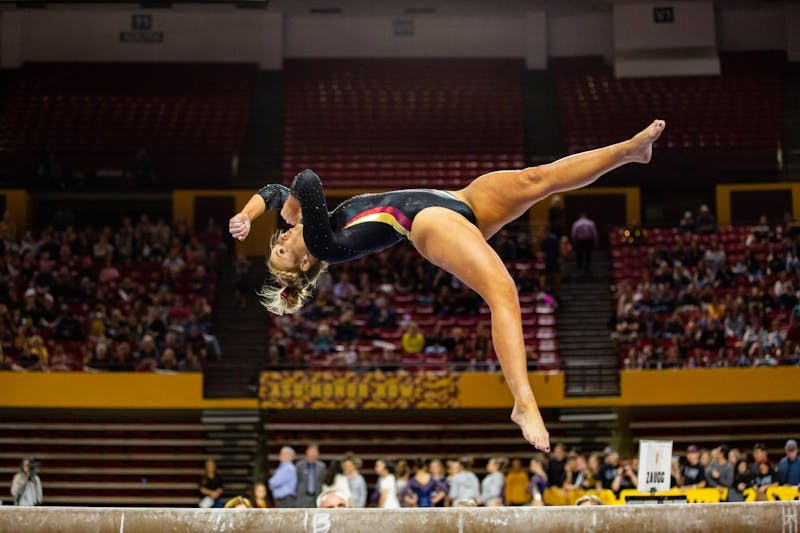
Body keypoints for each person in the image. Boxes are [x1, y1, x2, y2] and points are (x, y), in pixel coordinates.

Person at [229, 120, 667, 452]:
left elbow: (271, 189)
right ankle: (524, 401)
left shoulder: (318, 227)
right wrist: (291, 203)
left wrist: (249, 216)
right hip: (429, 222)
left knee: (539, 179)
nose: (282, 238)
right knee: (504, 294)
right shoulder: (325, 245)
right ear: (307, 262)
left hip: (460, 199)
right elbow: (304, 181)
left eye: (278, 241)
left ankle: (629, 152)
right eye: (283, 251)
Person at [295, 444, 327, 508]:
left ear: (318, 453)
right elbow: (297, 480)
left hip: (316, 497)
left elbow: (322, 481)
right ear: (306, 452)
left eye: (314, 452)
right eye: (310, 452)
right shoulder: (299, 465)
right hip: (303, 497)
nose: (312, 454)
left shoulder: (322, 466)